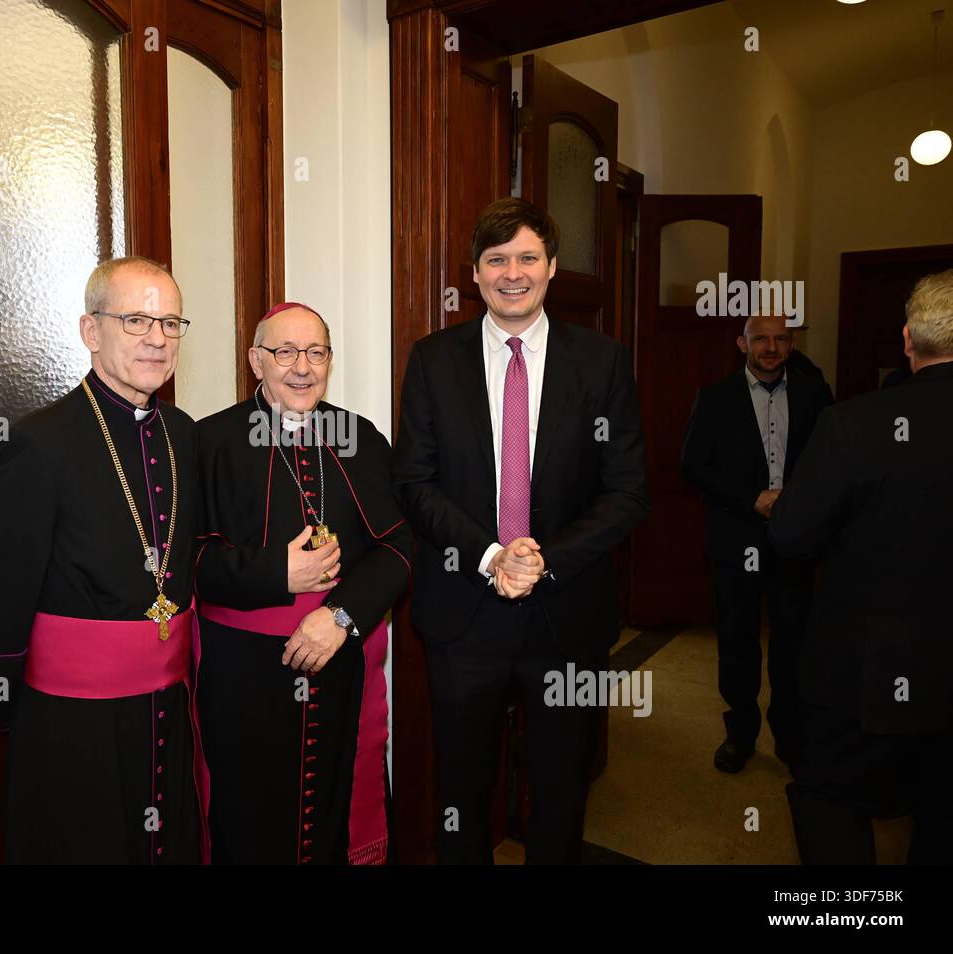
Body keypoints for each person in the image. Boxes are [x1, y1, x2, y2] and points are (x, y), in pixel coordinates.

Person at [393, 197, 648, 864]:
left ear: (552, 267)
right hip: (462, 611)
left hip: (567, 610)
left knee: (562, 785)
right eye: (496, 259)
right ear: (475, 274)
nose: (513, 272)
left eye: (527, 257)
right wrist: (489, 556)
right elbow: (415, 483)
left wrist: (543, 561)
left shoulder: (602, 362)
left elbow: (627, 493)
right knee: (461, 786)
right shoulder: (431, 360)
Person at [0, 255, 205, 863]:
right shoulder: (38, 444)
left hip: (167, 707)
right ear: (90, 331)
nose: (157, 337)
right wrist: (19, 714)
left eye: (171, 322)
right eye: (136, 320)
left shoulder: (185, 434)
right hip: (72, 722)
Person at [195, 303, 412, 864]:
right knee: (248, 817)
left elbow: (399, 545)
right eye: (284, 352)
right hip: (242, 675)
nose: (302, 367)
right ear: (255, 361)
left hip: (340, 660)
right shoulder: (210, 441)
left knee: (333, 816)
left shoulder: (358, 438)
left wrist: (340, 615)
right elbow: (183, 563)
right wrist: (276, 573)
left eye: (316, 352)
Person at [770, 269, 953, 864]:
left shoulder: (853, 424)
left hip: (863, 672)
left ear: (907, 339)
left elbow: (792, 537)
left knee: (832, 806)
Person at [680, 314, 833, 773]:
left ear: (791, 345)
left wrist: (799, 497)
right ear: (741, 344)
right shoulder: (715, 397)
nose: (770, 347)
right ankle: (740, 733)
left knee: (792, 643)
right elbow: (693, 467)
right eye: (760, 339)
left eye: (780, 339)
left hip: (795, 541)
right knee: (737, 641)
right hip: (735, 540)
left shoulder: (815, 395)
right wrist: (752, 498)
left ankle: (790, 736)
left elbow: (833, 461)